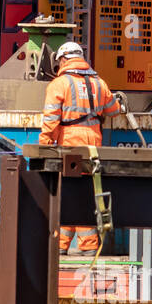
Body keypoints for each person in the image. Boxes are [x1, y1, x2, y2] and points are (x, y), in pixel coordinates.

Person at [38, 41, 122, 254]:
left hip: (70, 144)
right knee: (84, 192)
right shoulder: (98, 83)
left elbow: (50, 119)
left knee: (68, 193)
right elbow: (114, 110)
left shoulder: (59, 85)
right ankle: (75, 245)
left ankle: (70, 245)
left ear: (64, 60)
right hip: (93, 144)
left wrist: (44, 144)